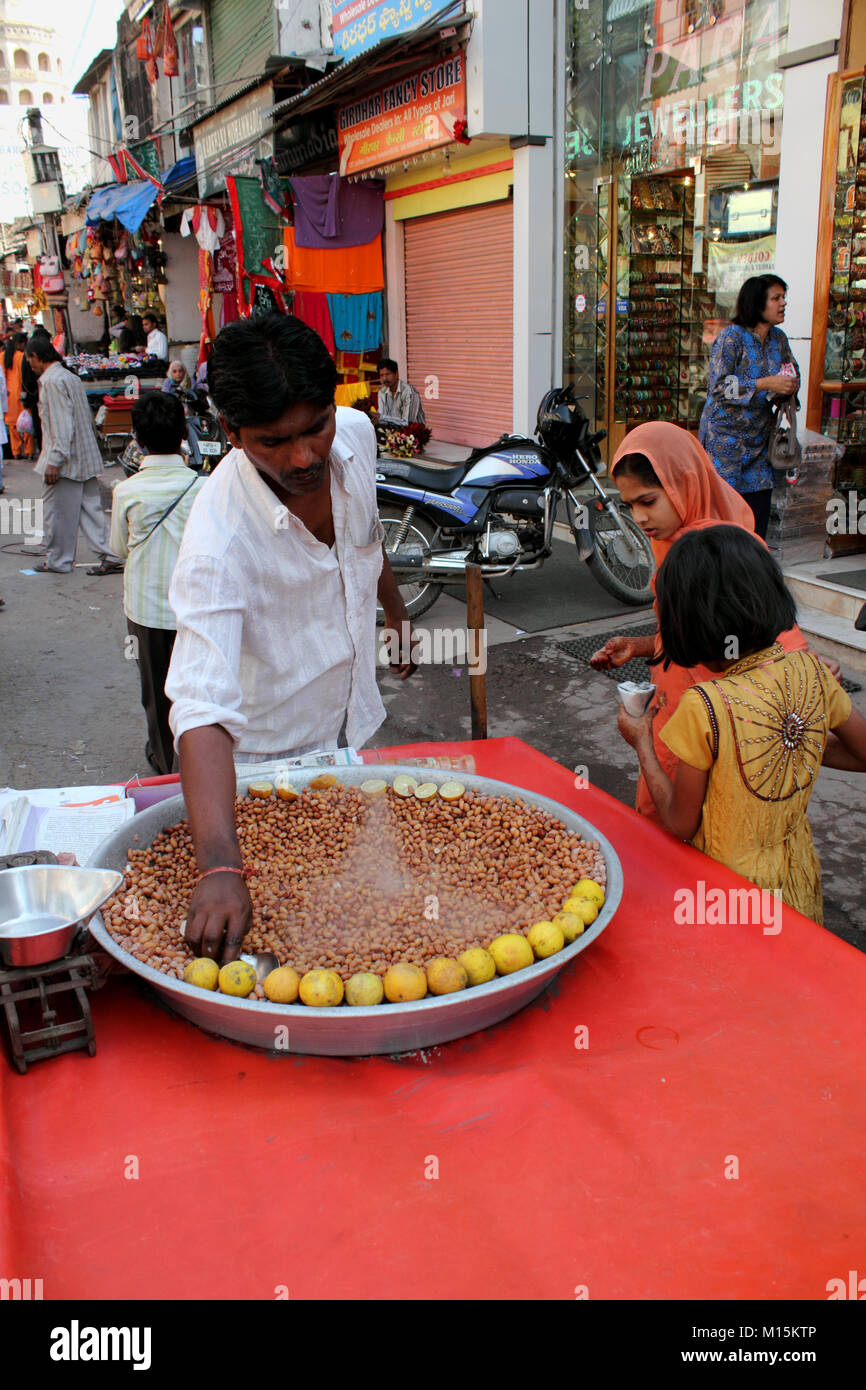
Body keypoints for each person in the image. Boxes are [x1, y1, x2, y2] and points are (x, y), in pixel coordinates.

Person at [165, 311, 418, 963]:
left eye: (315, 429)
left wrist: (397, 614)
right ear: (229, 431)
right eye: (275, 442)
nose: (304, 456)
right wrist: (220, 867)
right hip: (263, 769)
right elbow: (199, 708)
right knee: (291, 948)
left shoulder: (355, 437)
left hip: (347, 729)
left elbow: (368, 537)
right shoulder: (216, 542)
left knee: (365, 923)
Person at [616, 526, 866, 924]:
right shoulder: (812, 671)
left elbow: (681, 822)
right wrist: (798, 741)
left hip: (729, 895)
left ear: (690, 626)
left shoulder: (706, 706)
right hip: (795, 875)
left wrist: (642, 741)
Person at [589, 421, 830, 824]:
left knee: (699, 833)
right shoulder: (670, 540)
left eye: (648, 500)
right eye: (630, 505)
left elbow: (776, 648)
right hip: (679, 720)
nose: (640, 518)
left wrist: (809, 677)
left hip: (721, 733)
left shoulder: (722, 554)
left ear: (685, 482)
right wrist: (646, 645)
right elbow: (698, 634)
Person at [109, 392, 205, 775]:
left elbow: (118, 548)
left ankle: (167, 768)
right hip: (196, 610)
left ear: (137, 438)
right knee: (198, 692)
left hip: (146, 612)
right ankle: (203, 765)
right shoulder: (204, 487)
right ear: (184, 433)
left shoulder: (127, 491)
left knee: (156, 695)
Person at [698, 274, 799, 539]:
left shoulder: (779, 340)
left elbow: (791, 373)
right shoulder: (732, 338)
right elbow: (718, 387)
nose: (783, 303)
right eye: (776, 298)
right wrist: (766, 383)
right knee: (725, 522)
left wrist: (788, 387)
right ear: (757, 303)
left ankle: (752, 573)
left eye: (783, 297)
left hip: (758, 445)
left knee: (757, 520)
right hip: (724, 444)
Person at [26, 335, 124, 576]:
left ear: (37, 358)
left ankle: (58, 560)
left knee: (57, 512)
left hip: (65, 460)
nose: (30, 366)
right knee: (91, 510)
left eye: (30, 361)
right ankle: (110, 555)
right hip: (82, 456)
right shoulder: (69, 377)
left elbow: (61, 424)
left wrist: (54, 460)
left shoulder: (51, 381)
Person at [377, 358, 426, 426]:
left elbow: (408, 422)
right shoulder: (382, 392)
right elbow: (381, 418)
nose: (384, 378)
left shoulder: (409, 392)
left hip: (413, 434)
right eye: (382, 375)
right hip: (393, 433)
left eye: (388, 374)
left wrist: (381, 418)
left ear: (396, 374)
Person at [5, 331, 28, 458]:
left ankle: (16, 452)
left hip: (8, 395)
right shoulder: (22, 356)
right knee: (26, 422)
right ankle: (29, 450)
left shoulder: (3, 356)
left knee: (13, 425)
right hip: (21, 392)